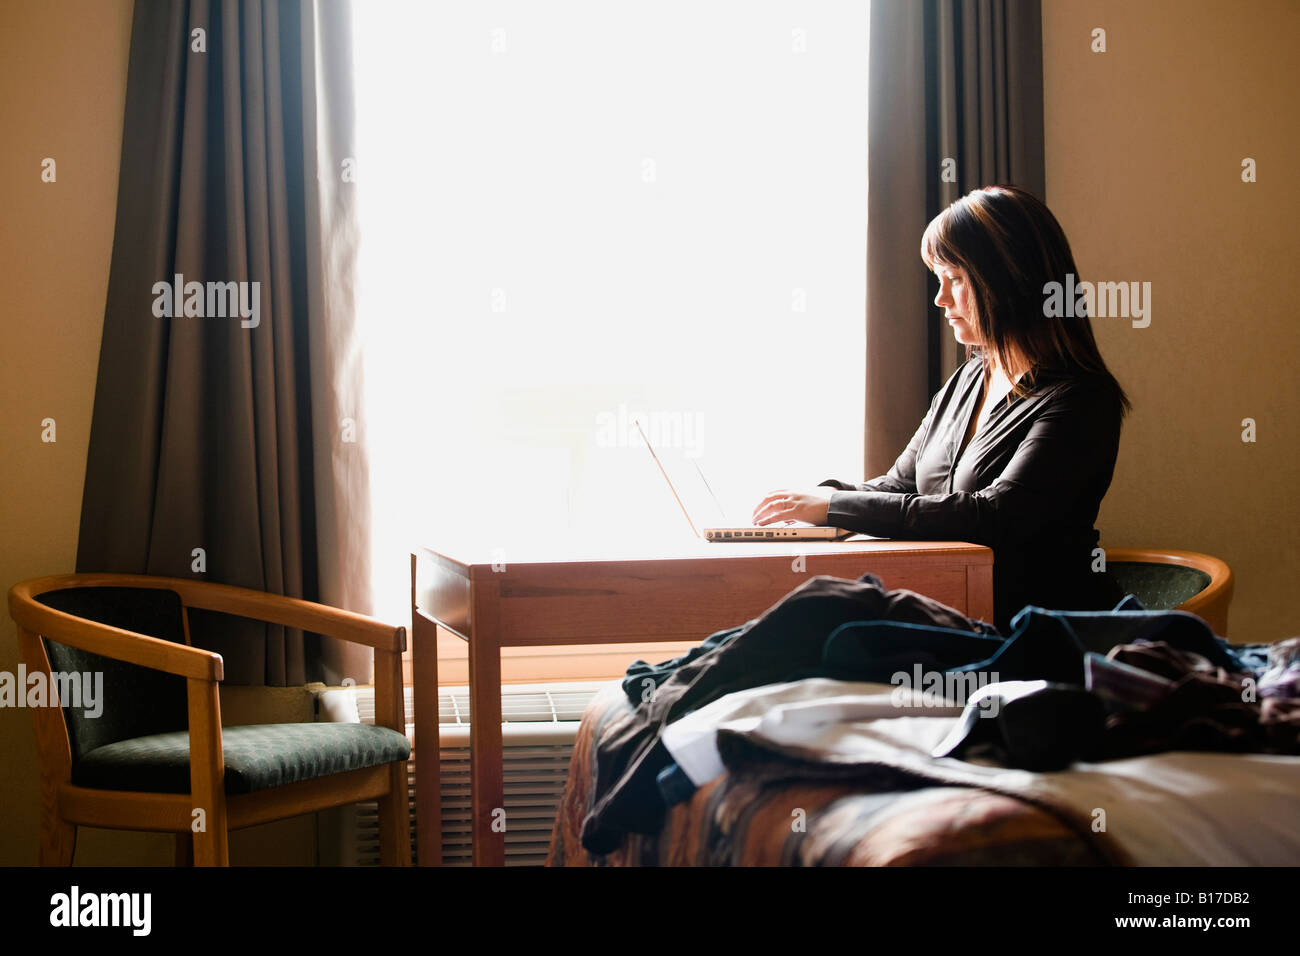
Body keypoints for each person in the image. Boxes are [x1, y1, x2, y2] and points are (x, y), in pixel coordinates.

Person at [751, 184, 1130, 632]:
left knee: (819, 628)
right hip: (954, 614)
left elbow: (994, 517)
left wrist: (833, 505)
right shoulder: (969, 379)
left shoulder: (1081, 398)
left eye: (954, 279)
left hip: (1031, 634)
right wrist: (807, 505)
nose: (940, 299)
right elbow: (901, 484)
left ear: (1008, 280)